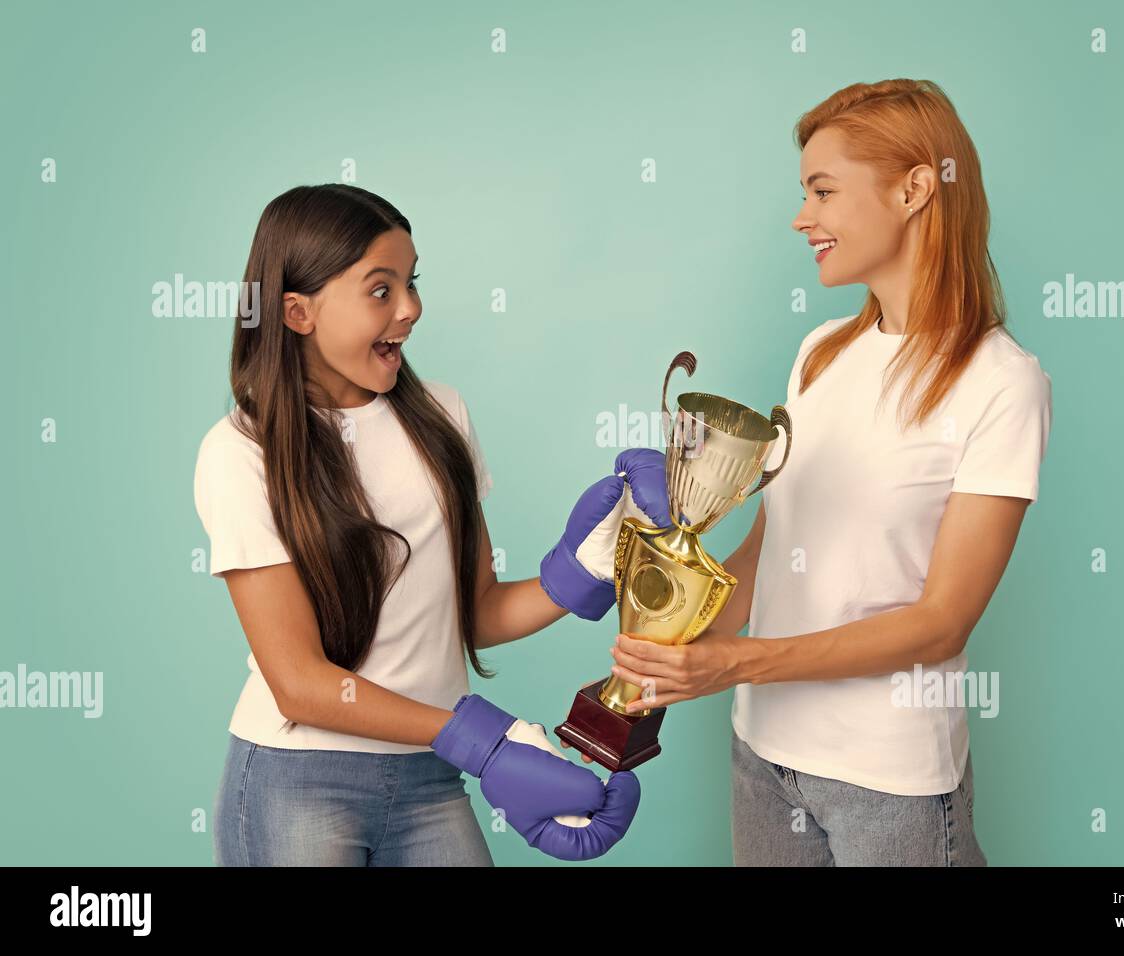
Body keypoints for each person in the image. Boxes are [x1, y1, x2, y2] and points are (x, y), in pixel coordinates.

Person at [603, 80, 1053, 866]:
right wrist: (680, 645)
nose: (801, 217)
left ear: (916, 189)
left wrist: (736, 661)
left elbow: (942, 621)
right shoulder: (820, 353)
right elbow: (769, 550)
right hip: (764, 753)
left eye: (822, 191)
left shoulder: (1001, 381)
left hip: (891, 781)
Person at [194, 184, 669, 865]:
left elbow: (475, 615)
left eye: (411, 284)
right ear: (297, 312)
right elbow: (297, 680)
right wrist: (485, 744)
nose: (411, 310)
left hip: (429, 776)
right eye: (380, 290)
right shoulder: (242, 452)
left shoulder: (439, 417)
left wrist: (586, 567)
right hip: (299, 782)